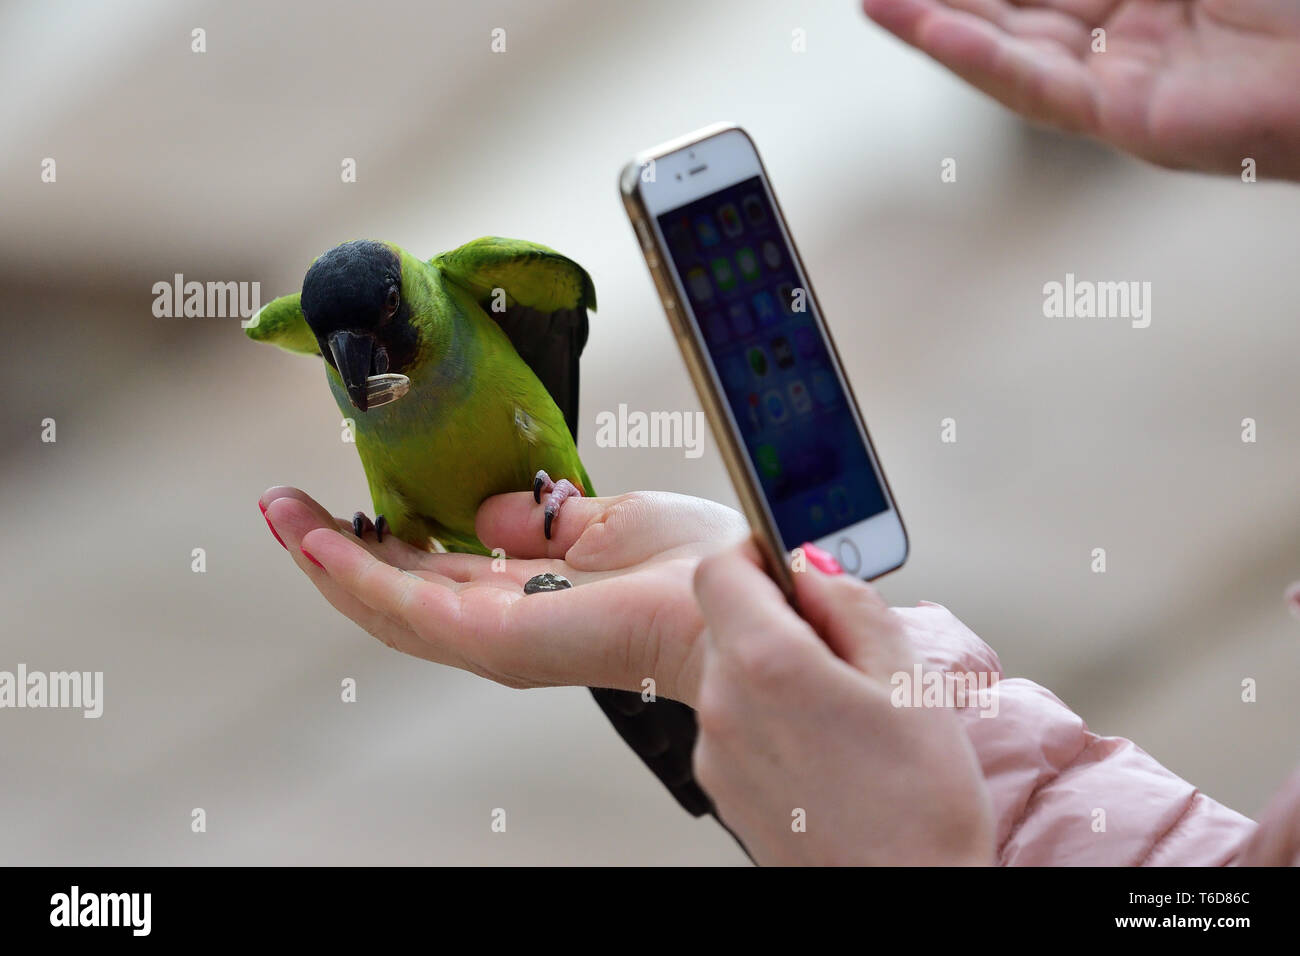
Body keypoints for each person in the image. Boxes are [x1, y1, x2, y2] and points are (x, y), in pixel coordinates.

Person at [257, 0, 1300, 864]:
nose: (360, 359)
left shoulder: (482, 280)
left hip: (544, 493)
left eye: (382, 332)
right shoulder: (322, 339)